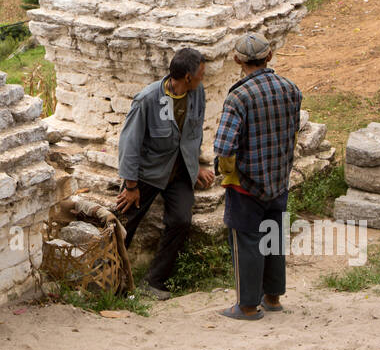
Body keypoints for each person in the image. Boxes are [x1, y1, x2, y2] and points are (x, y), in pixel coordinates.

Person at [212, 32, 301, 321]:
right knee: (273, 237)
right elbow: (293, 129)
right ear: (269, 56)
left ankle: (247, 306)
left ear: (237, 60)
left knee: (247, 241)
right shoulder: (290, 89)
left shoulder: (239, 96)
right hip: (279, 180)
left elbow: (224, 147)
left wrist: (228, 174)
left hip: (247, 185)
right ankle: (272, 297)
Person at [115, 48, 216, 300]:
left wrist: (196, 166)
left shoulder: (197, 93)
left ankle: (155, 281)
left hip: (180, 173)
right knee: (122, 223)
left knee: (181, 220)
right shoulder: (147, 100)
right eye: (201, 74)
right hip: (146, 175)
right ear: (187, 77)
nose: (204, 78)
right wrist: (130, 186)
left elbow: (194, 133)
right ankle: (111, 281)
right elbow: (130, 144)